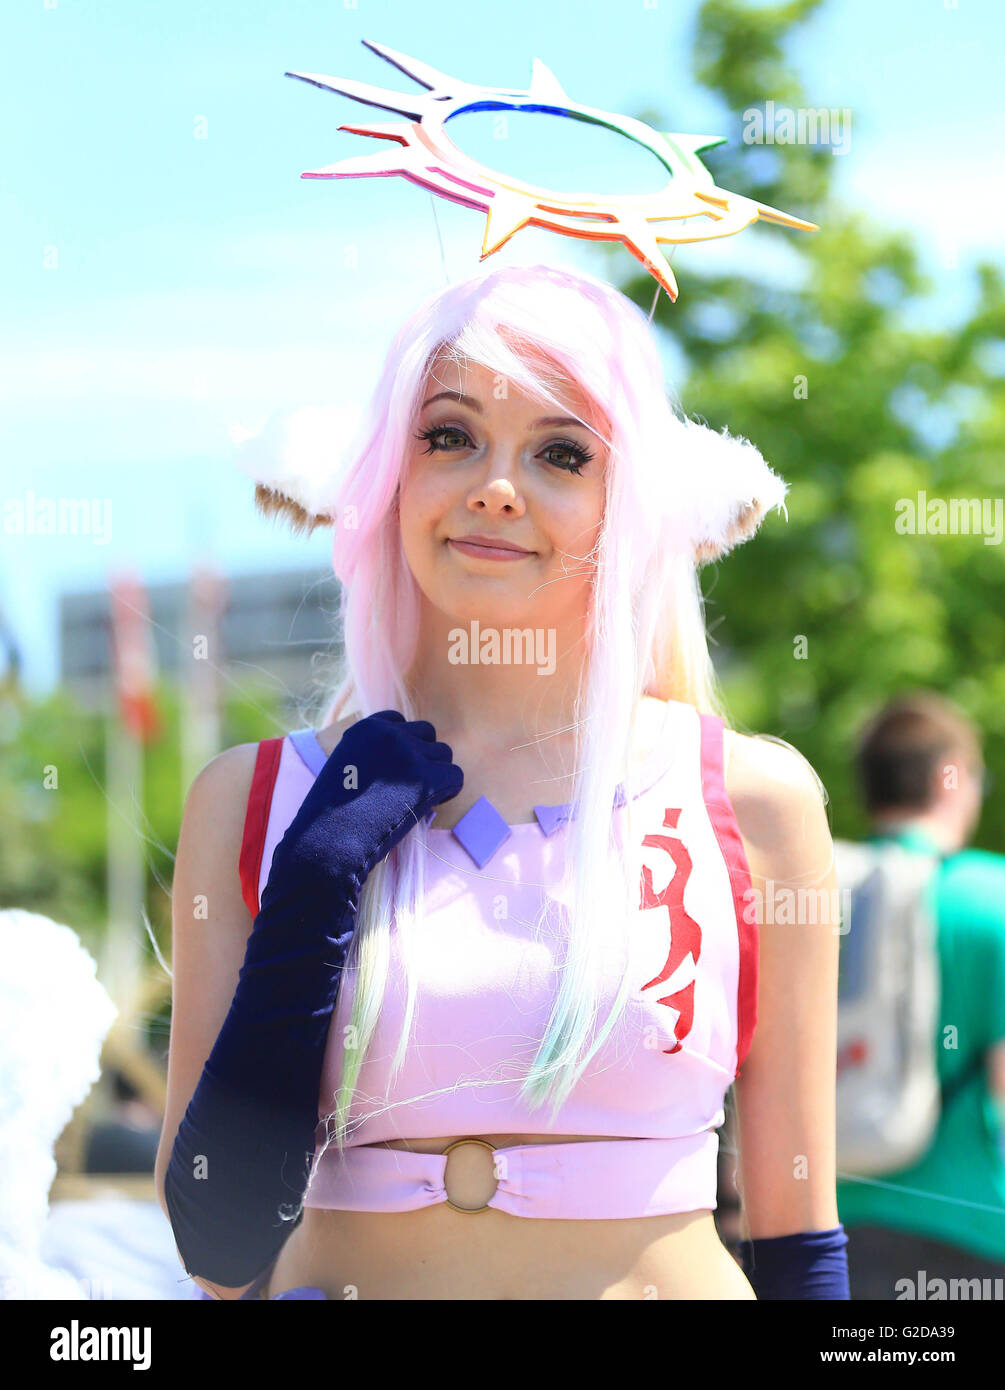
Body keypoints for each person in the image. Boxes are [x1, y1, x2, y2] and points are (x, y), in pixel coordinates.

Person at [155, 262, 848, 1300]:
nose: (494, 484)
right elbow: (216, 1250)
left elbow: (798, 1231)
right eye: (450, 435)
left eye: (561, 451)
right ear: (390, 472)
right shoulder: (251, 800)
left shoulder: (755, 802)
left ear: (628, 504)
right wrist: (313, 883)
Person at [837, 692, 1005, 1298]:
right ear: (948, 778)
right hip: (967, 1225)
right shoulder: (991, 898)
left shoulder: (820, 896)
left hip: (827, 1227)